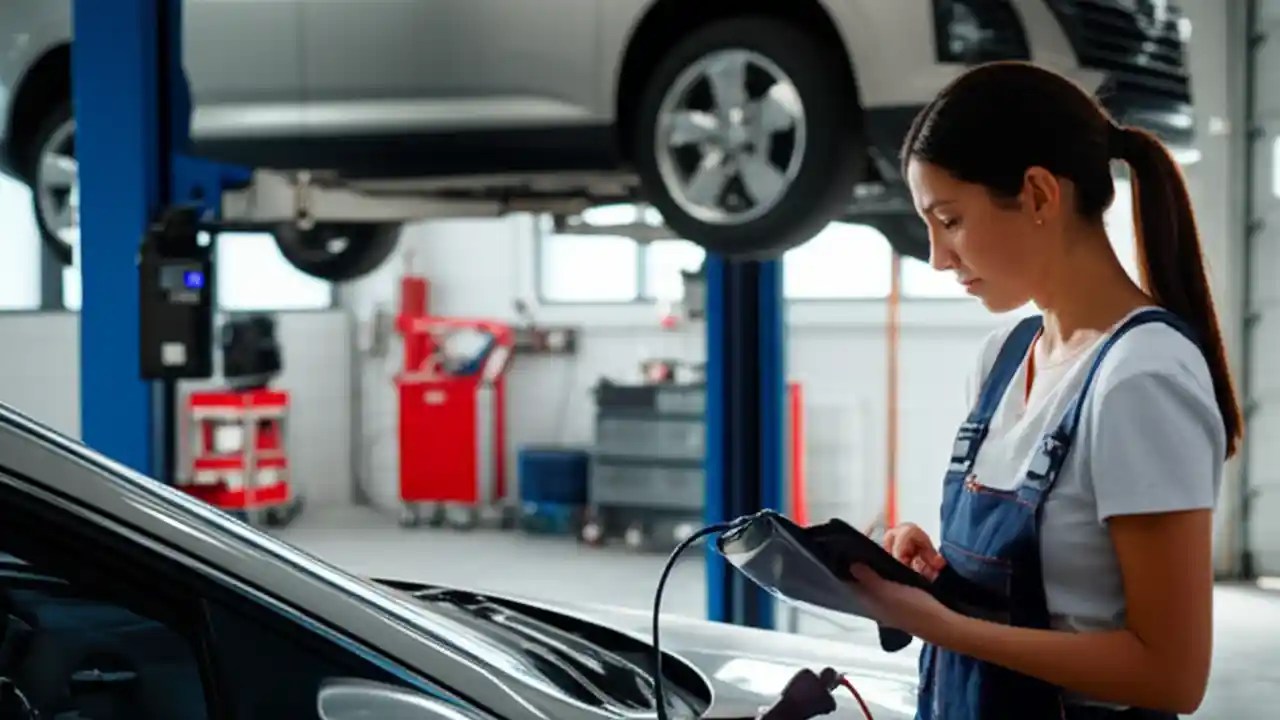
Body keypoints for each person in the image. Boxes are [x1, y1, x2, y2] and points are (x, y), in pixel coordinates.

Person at [845, 61, 1242, 720]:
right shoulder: (1003, 357)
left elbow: (1171, 677)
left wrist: (943, 626)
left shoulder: (1140, 378)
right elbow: (1059, 599)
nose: (938, 257)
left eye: (949, 219)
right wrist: (941, 584)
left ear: (1036, 195)